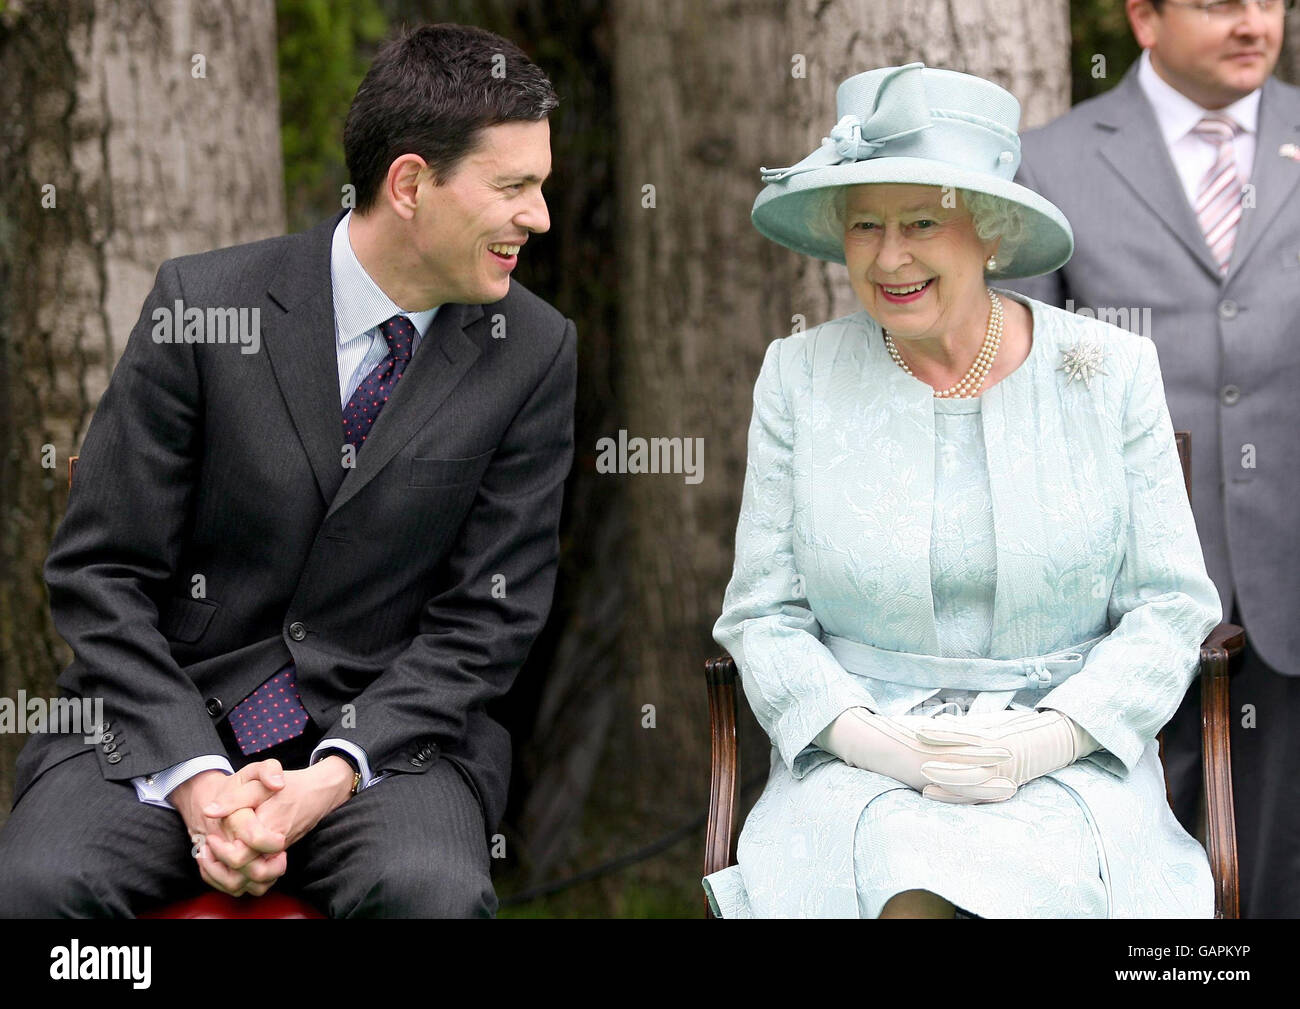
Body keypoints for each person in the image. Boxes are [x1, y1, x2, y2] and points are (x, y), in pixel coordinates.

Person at [0, 23, 576, 917]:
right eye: (514, 187)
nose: (539, 216)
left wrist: (336, 770)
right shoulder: (202, 305)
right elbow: (99, 573)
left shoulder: (534, 352)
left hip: (391, 747)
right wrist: (198, 776)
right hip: (157, 723)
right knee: (36, 889)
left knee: (433, 898)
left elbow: (487, 621)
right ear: (412, 183)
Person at [700, 62, 1223, 919]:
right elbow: (763, 613)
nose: (890, 255)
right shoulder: (798, 375)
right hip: (859, 763)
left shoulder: (1111, 371)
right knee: (908, 880)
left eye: (921, 222)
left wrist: (1048, 736)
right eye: (864, 224)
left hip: (1065, 758)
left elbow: (1171, 606)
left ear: (990, 230)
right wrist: (876, 741)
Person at [1000, 0, 1300, 917]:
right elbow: (1015, 387)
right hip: (1120, 591)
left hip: (1292, 569)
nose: (1254, 22)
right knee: (1133, 872)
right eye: (1219, 3)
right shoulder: (1048, 161)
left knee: (1281, 872)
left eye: (1269, 0)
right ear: (1143, 17)